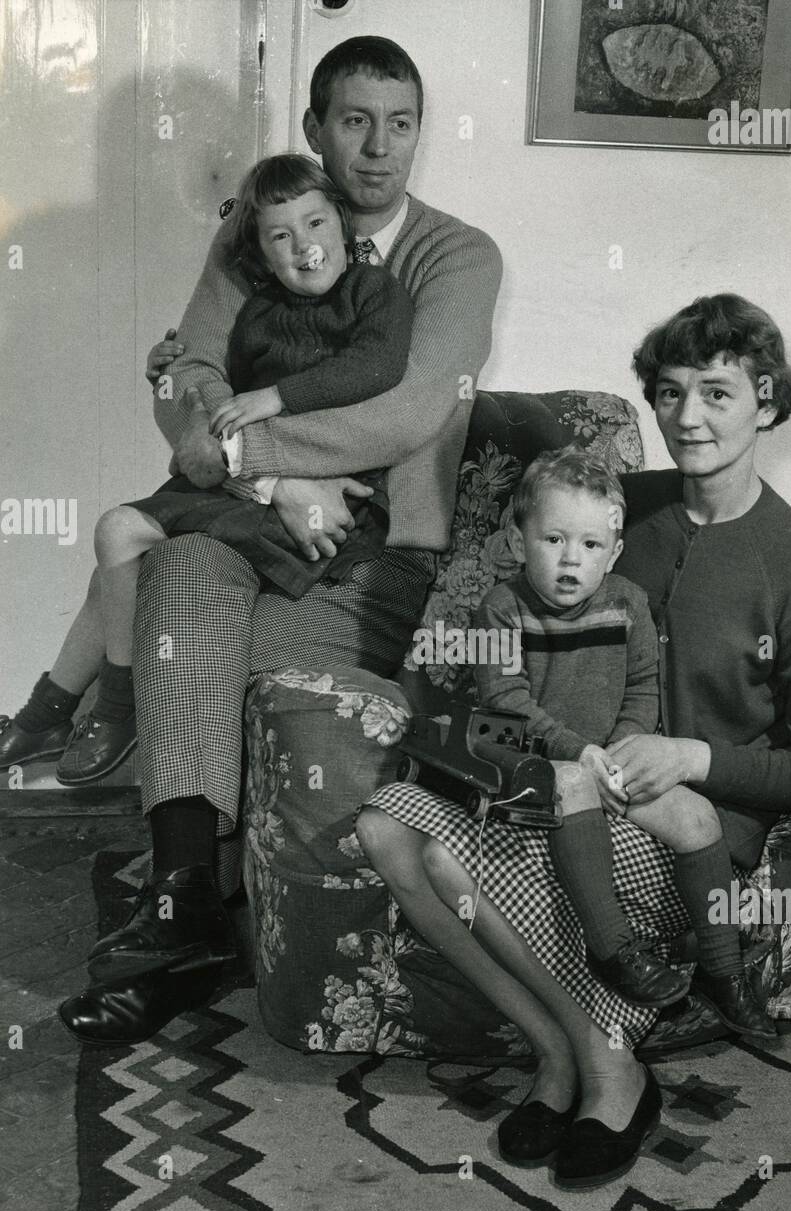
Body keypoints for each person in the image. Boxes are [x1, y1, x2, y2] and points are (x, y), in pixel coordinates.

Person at [357, 294, 791, 1189]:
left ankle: (611, 1070)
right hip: (572, 775)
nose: (687, 417)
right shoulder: (625, 508)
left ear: (767, 403)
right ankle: (557, 1049)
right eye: (669, 393)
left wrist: (692, 759)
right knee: (384, 829)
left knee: (448, 863)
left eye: (716, 393)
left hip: (693, 821)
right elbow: (511, 604)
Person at [58, 36, 502, 1043]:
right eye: (355, 121)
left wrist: (242, 449)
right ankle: (186, 907)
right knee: (177, 567)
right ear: (313, 128)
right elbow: (185, 381)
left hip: (377, 558)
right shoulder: (257, 227)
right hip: (250, 519)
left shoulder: (457, 256)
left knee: (191, 656)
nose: (379, 149)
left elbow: (405, 410)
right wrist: (273, 480)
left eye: (400, 124)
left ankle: (187, 906)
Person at [0, 153, 412, 792]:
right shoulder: (261, 312)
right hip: (253, 486)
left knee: (118, 534)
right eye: (281, 236)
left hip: (332, 500)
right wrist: (167, 375)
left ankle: (112, 708)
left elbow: (377, 368)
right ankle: (47, 715)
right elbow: (210, 395)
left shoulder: (374, 291)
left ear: (343, 221)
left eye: (316, 223)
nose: (305, 246)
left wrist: (275, 399)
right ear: (260, 254)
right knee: (117, 561)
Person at [473, 445, 775, 1038]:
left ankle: (722, 970)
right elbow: (506, 703)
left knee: (696, 817)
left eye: (590, 545)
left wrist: (623, 751)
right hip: (523, 751)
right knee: (570, 780)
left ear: (612, 553)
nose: (571, 559)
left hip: (603, 755)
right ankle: (612, 948)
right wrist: (581, 755)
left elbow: (641, 688)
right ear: (518, 541)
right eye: (553, 539)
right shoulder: (500, 609)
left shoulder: (628, 603)